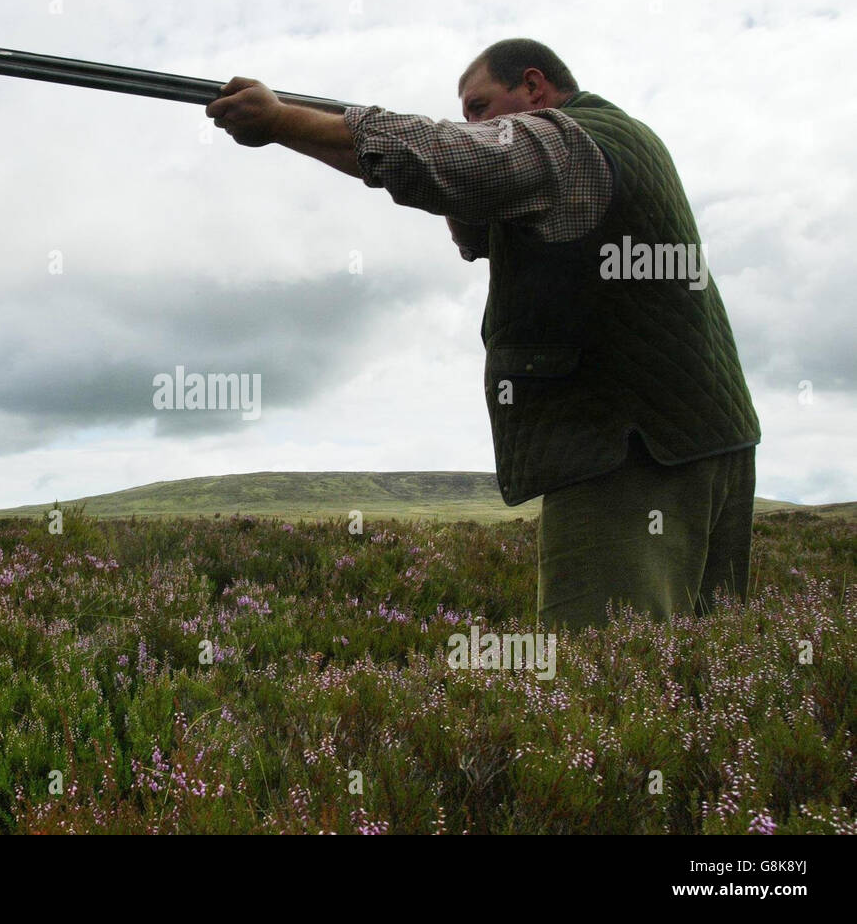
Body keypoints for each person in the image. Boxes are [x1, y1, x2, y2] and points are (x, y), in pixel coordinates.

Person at [205, 38, 761, 630]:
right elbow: (472, 224)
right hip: (703, 441)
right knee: (695, 667)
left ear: (533, 86)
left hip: (631, 452)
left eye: (480, 106)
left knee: (603, 672)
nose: (474, 124)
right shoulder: (622, 138)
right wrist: (445, 163)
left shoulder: (565, 138)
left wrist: (282, 122)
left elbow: (472, 159)